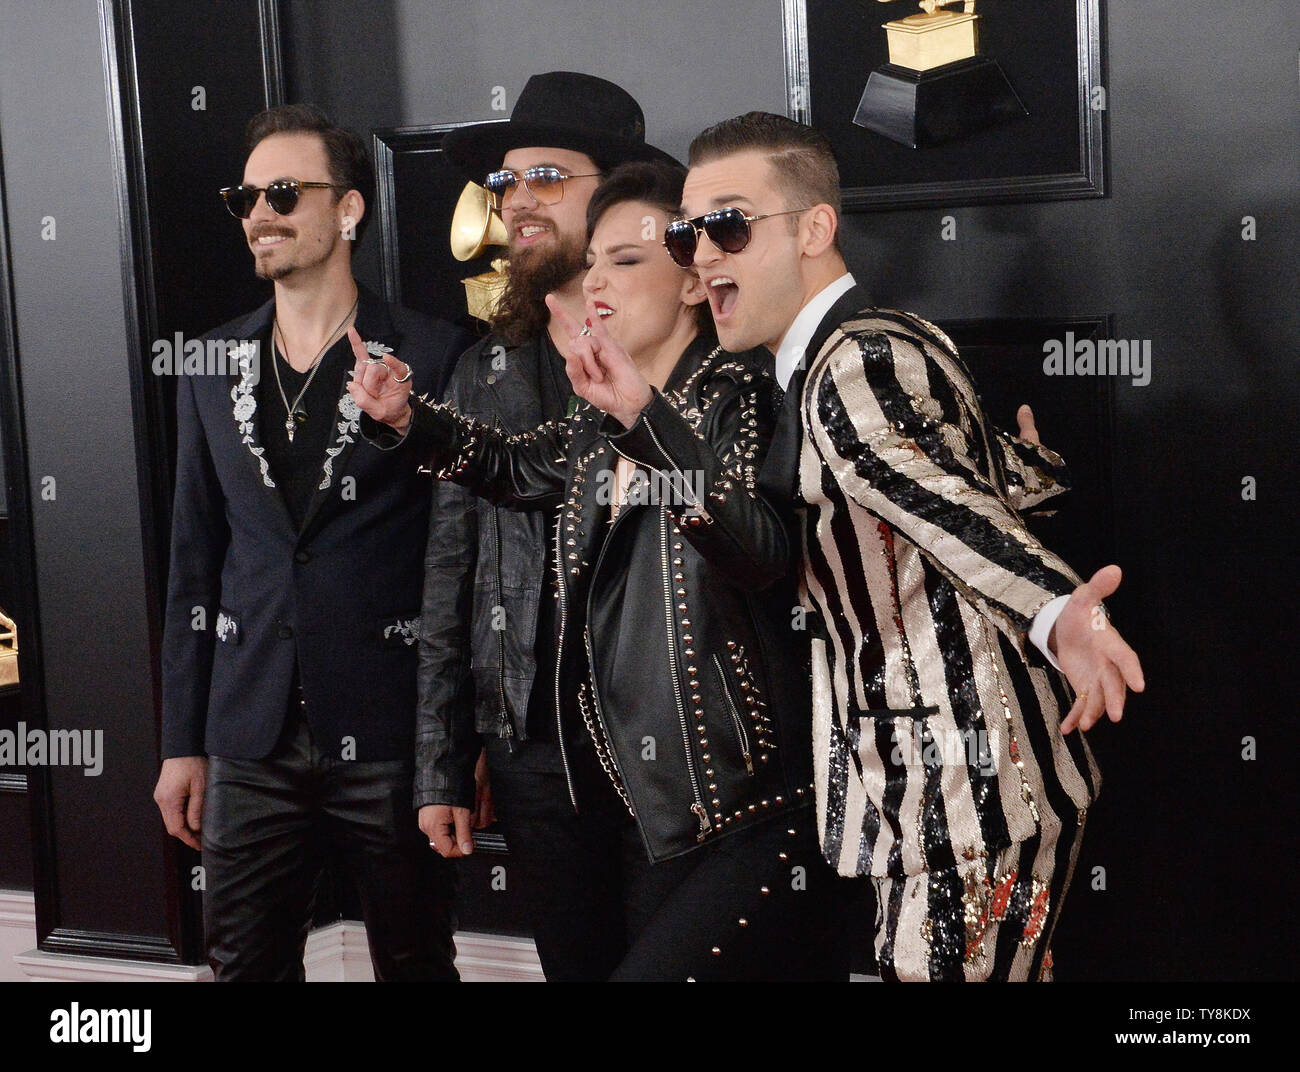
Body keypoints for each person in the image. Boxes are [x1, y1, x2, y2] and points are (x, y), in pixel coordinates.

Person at [551, 111, 1145, 982]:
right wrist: (1028, 472)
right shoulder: (873, 343)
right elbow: (951, 481)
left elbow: (942, 509)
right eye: (686, 234)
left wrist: (1059, 616)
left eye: (728, 226)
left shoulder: (849, 363)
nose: (704, 256)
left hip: (966, 806)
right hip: (942, 801)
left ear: (816, 229)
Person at [351, 159, 848, 982]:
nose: (597, 284)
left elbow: (757, 550)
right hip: (619, 791)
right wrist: (408, 417)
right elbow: (504, 466)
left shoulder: (738, 392)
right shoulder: (593, 424)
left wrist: (641, 419)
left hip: (739, 805)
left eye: (626, 262)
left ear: (691, 285)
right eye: (593, 264)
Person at [152, 104, 470, 981]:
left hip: (390, 725)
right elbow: (194, 564)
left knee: (416, 965)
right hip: (248, 734)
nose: (260, 212)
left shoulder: (437, 355)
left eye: (285, 192)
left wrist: (455, 741)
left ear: (350, 210)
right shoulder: (209, 365)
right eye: (245, 196)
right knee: (242, 968)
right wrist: (183, 740)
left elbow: (462, 566)